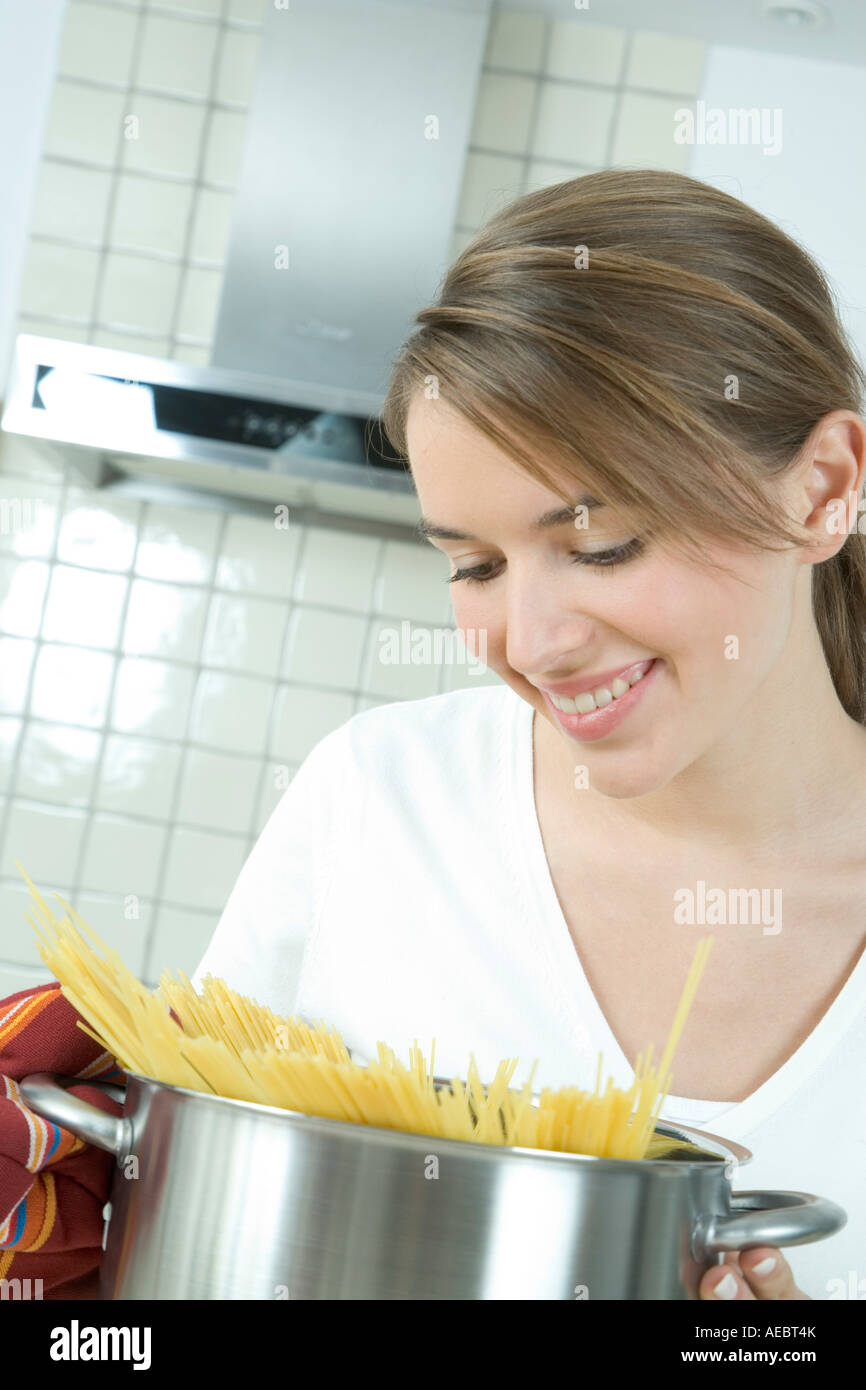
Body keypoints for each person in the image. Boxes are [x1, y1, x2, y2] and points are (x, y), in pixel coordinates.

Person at [192, 168, 866, 1302]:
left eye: (601, 546)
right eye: (474, 565)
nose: (534, 641)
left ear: (820, 490)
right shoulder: (377, 800)